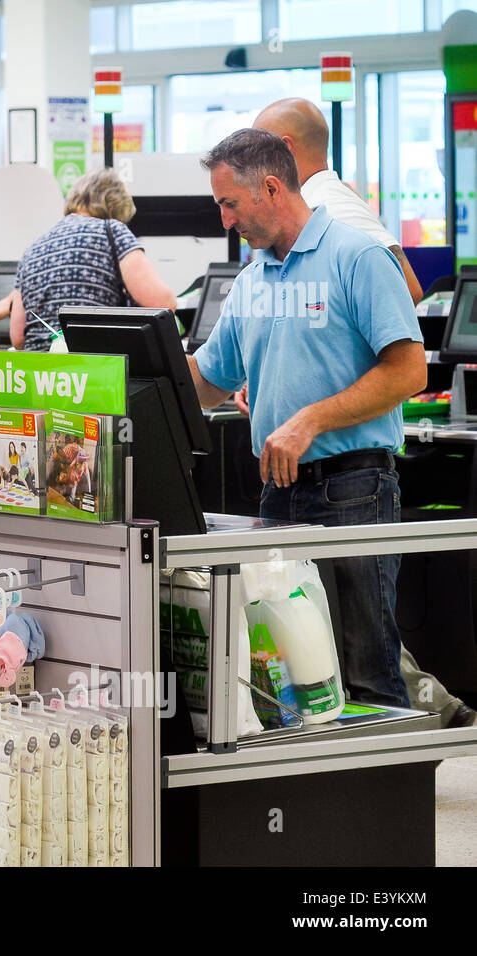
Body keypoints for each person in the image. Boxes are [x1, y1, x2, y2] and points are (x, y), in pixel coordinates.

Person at [253, 98, 473, 727]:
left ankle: (402, 770)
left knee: (363, 649)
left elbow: (399, 286)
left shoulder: (330, 204)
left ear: (288, 154)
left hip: (348, 463)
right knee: (323, 646)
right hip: (296, 470)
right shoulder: (295, 222)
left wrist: (333, 381)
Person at [190, 128, 426, 709]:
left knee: (365, 662)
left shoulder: (358, 256)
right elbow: (208, 381)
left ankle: (382, 795)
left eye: (230, 204)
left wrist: (311, 419)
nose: (225, 221)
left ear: (270, 187)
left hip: (354, 489)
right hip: (277, 494)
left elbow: (408, 372)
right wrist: (127, 385)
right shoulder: (251, 280)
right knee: (292, 672)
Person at [254, 98, 424, 305]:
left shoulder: (333, 204)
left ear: (285, 149)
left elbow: (407, 289)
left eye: (257, 153)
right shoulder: (312, 201)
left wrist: (338, 330)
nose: (252, 165)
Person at [11, 168, 176, 351]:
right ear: (116, 206)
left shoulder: (32, 248)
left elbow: (17, 337)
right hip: (90, 371)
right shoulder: (111, 231)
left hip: (38, 374)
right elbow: (163, 304)